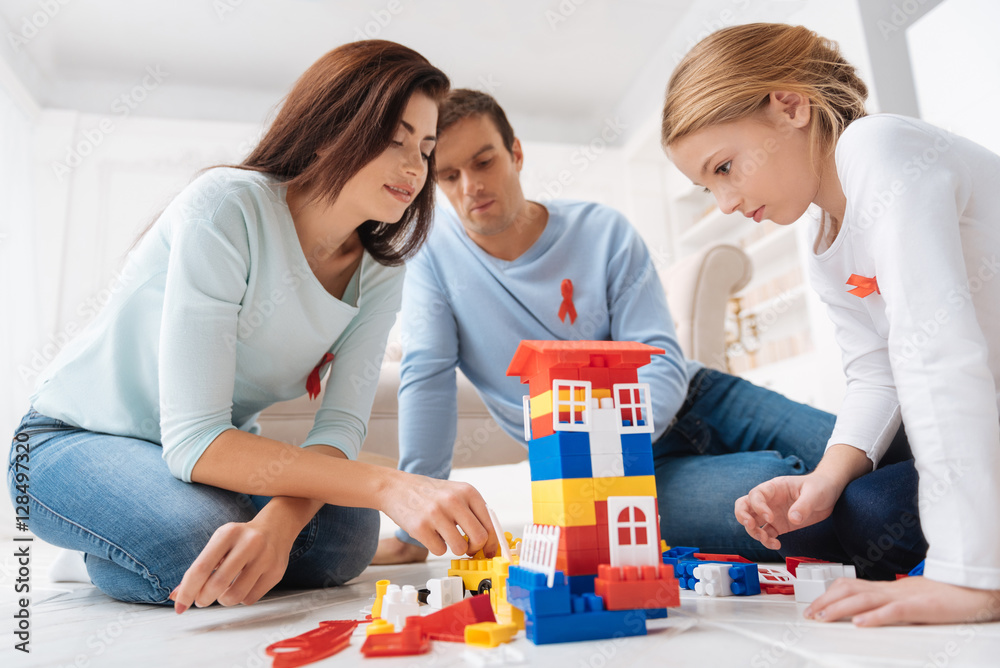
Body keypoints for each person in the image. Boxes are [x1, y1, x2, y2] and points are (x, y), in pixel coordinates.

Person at [6, 40, 499, 613]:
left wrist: (281, 525)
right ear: (328, 131)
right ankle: (106, 543)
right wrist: (392, 483)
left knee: (347, 536)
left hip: (196, 463)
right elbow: (195, 439)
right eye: (394, 140)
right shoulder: (225, 207)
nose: (416, 167)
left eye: (426, 147)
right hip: (71, 440)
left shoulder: (380, 271)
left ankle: (160, 532)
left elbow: (339, 431)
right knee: (196, 538)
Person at [372, 88, 837, 566]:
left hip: (695, 399)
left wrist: (611, 434)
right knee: (778, 496)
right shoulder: (433, 262)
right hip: (595, 474)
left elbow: (657, 352)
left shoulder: (601, 230)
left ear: (515, 153)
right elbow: (426, 379)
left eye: (484, 162)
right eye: (449, 175)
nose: (470, 186)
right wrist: (413, 530)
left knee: (853, 448)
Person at [662, 22, 1000, 626]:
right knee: (864, 505)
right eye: (707, 185)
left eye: (725, 167)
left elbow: (937, 350)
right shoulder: (823, 239)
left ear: (790, 106)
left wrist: (966, 576)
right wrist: (824, 476)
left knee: (882, 513)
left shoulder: (879, 146)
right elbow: (876, 373)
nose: (726, 204)